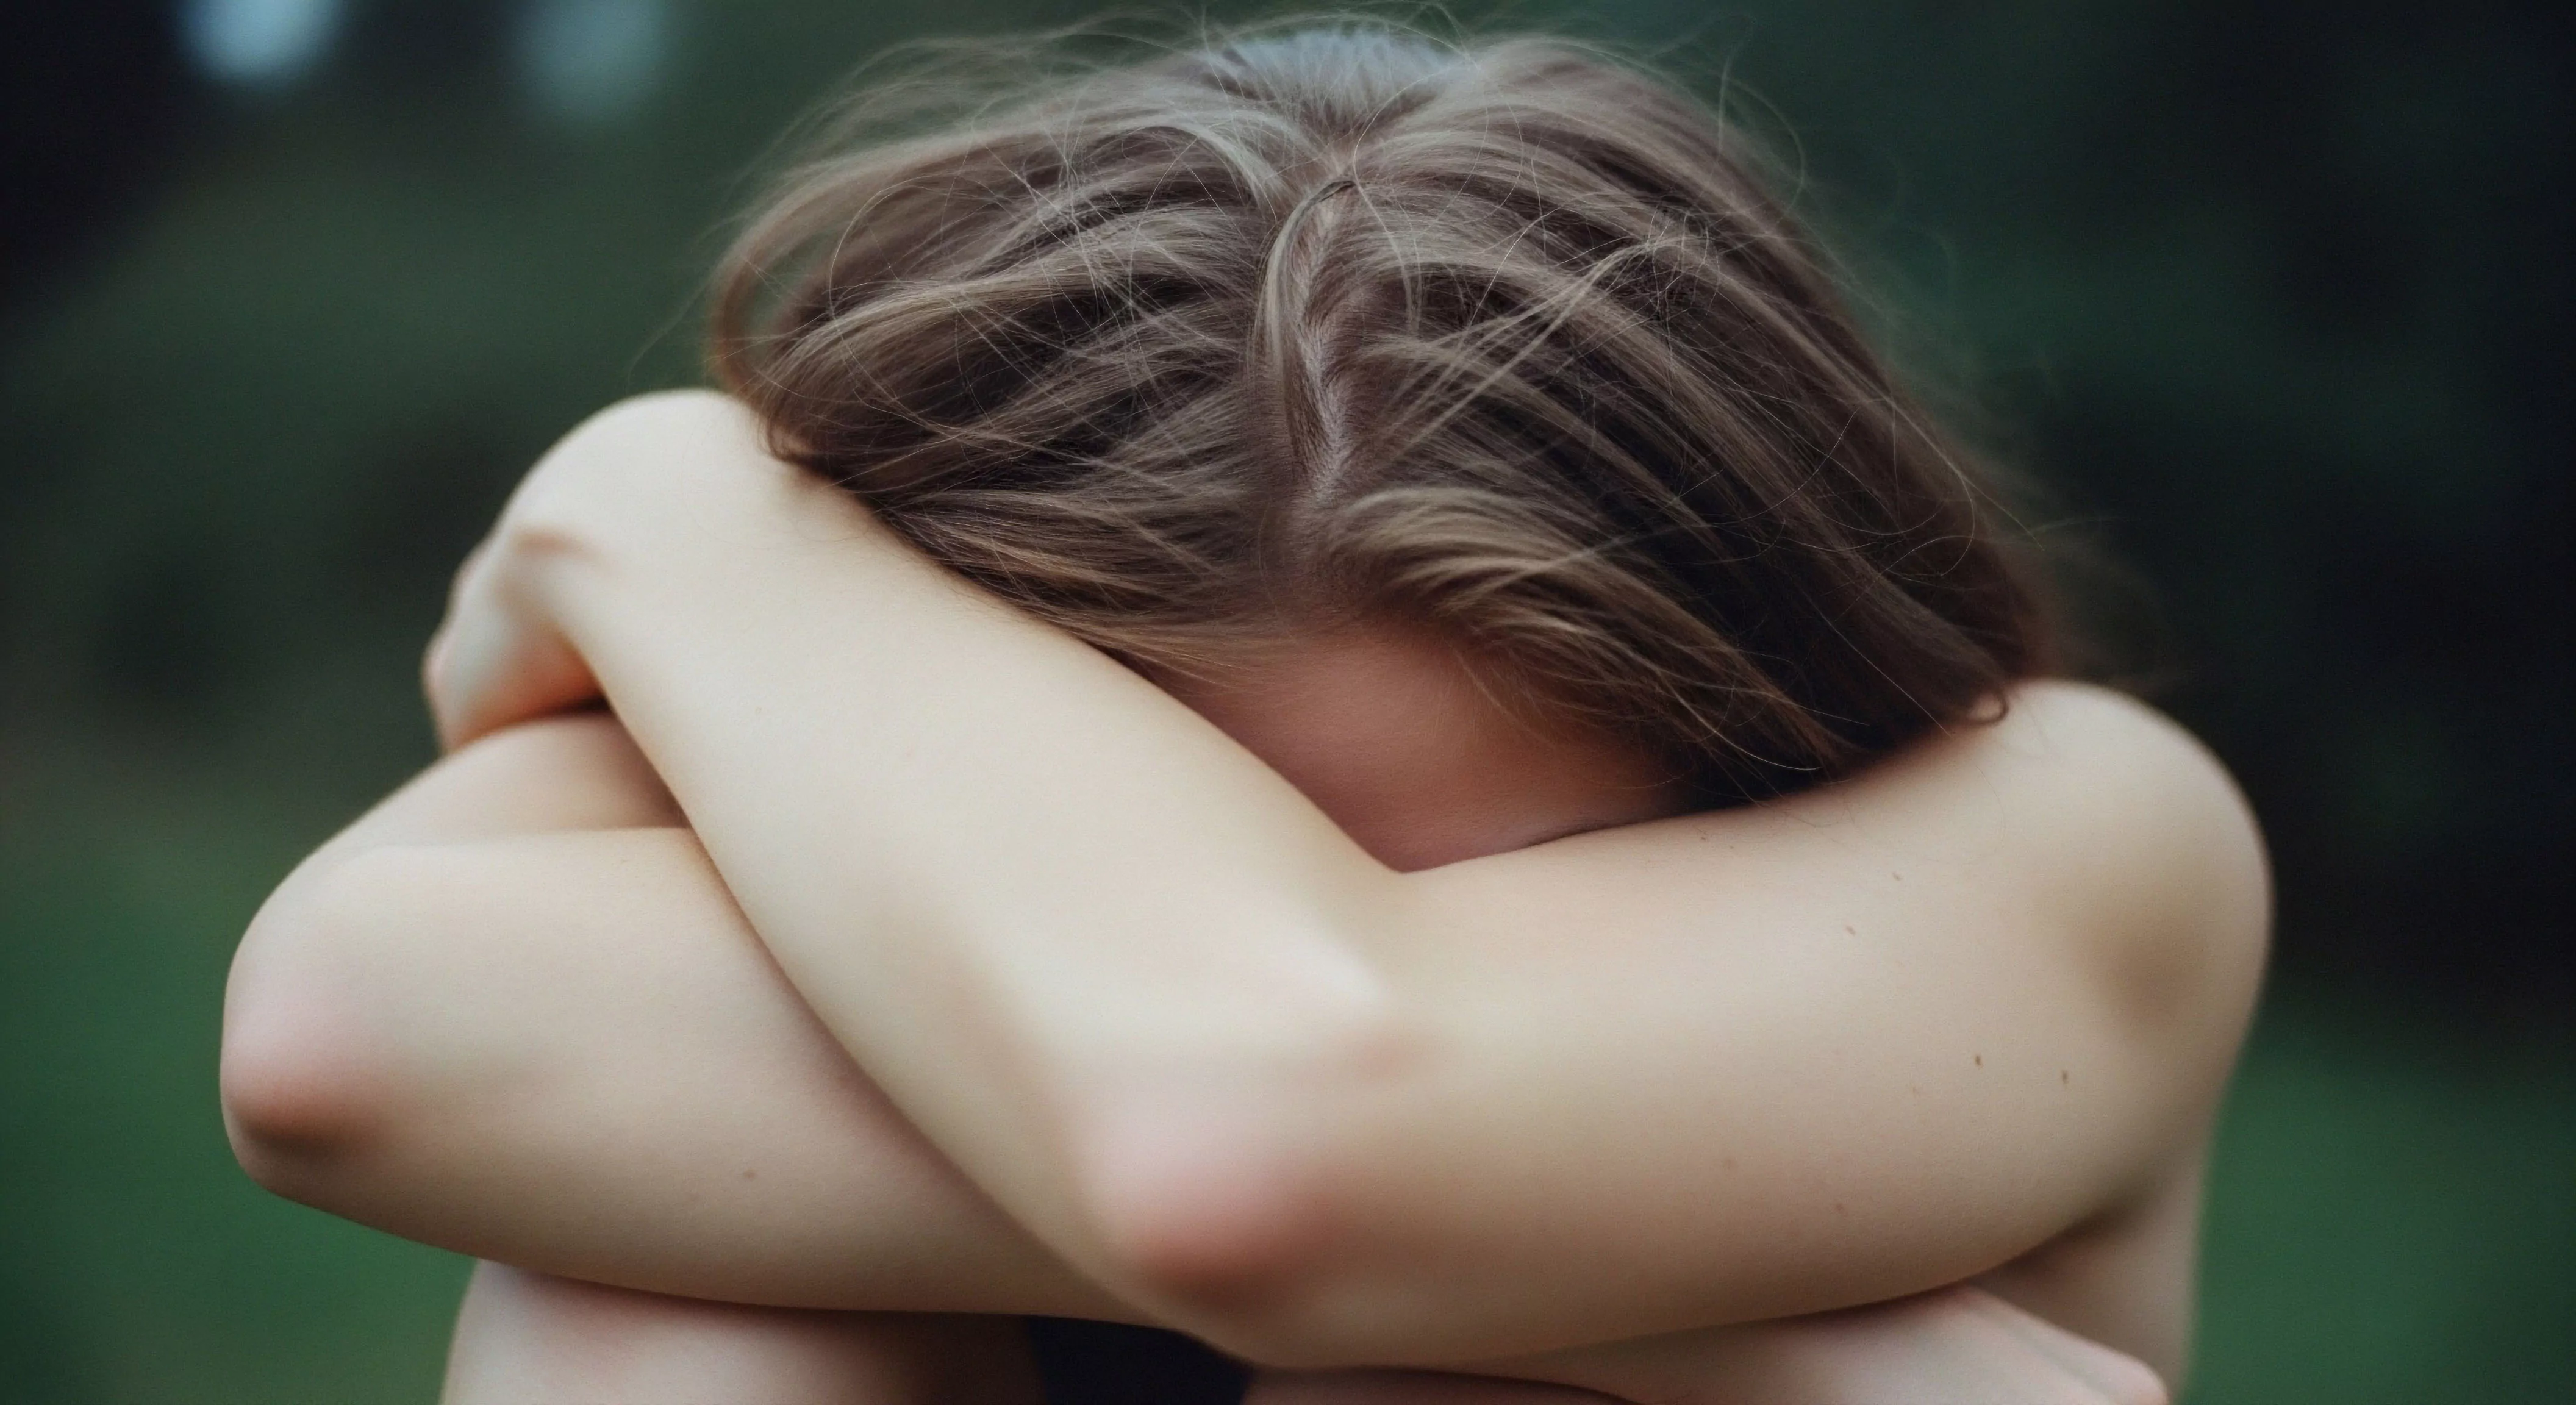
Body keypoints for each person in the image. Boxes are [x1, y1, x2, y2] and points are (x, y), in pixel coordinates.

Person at [218, 23, 2267, 1404]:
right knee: (679, 1325)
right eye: (1174, 844)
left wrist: (650, 500)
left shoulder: (2083, 829)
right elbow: (338, 1030)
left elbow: (1255, 1147)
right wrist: (1770, 1345)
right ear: (905, 680)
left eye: (1524, 906)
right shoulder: (792, 721)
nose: (1252, 965)